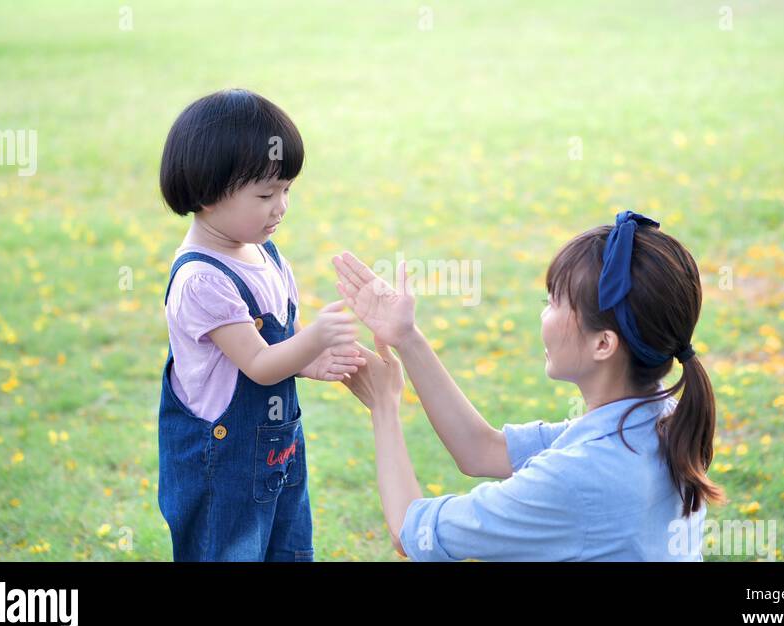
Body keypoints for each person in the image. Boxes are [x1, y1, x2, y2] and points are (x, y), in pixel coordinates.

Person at [333, 211, 726, 561]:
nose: (543, 314)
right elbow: (481, 451)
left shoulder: (578, 477)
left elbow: (408, 530)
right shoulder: (656, 419)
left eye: (554, 302)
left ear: (603, 344)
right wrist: (406, 337)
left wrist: (383, 406)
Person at [156, 89, 364, 561]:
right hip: (222, 470)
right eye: (266, 194)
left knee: (287, 548)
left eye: (287, 190)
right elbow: (259, 365)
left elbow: (276, 348)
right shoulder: (201, 280)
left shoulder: (262, 253)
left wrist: (309, 362)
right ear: (208, 193)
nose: (281, 206)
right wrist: (316, 337)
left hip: (277, 453)